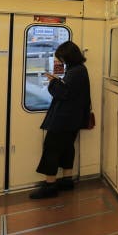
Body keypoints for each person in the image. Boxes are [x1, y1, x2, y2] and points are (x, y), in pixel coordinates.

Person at [29, 41, 91, 199]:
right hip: (73, 119)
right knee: (67, 148)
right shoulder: (78, 70)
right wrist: (58, 81)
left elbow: (63, 93)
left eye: (62, 58)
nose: (60, 61)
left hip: (65, 119)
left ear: (68, 57)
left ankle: (50, 186)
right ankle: (67, 180)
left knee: (51, 148)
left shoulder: (76, 71)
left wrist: (53, 81)